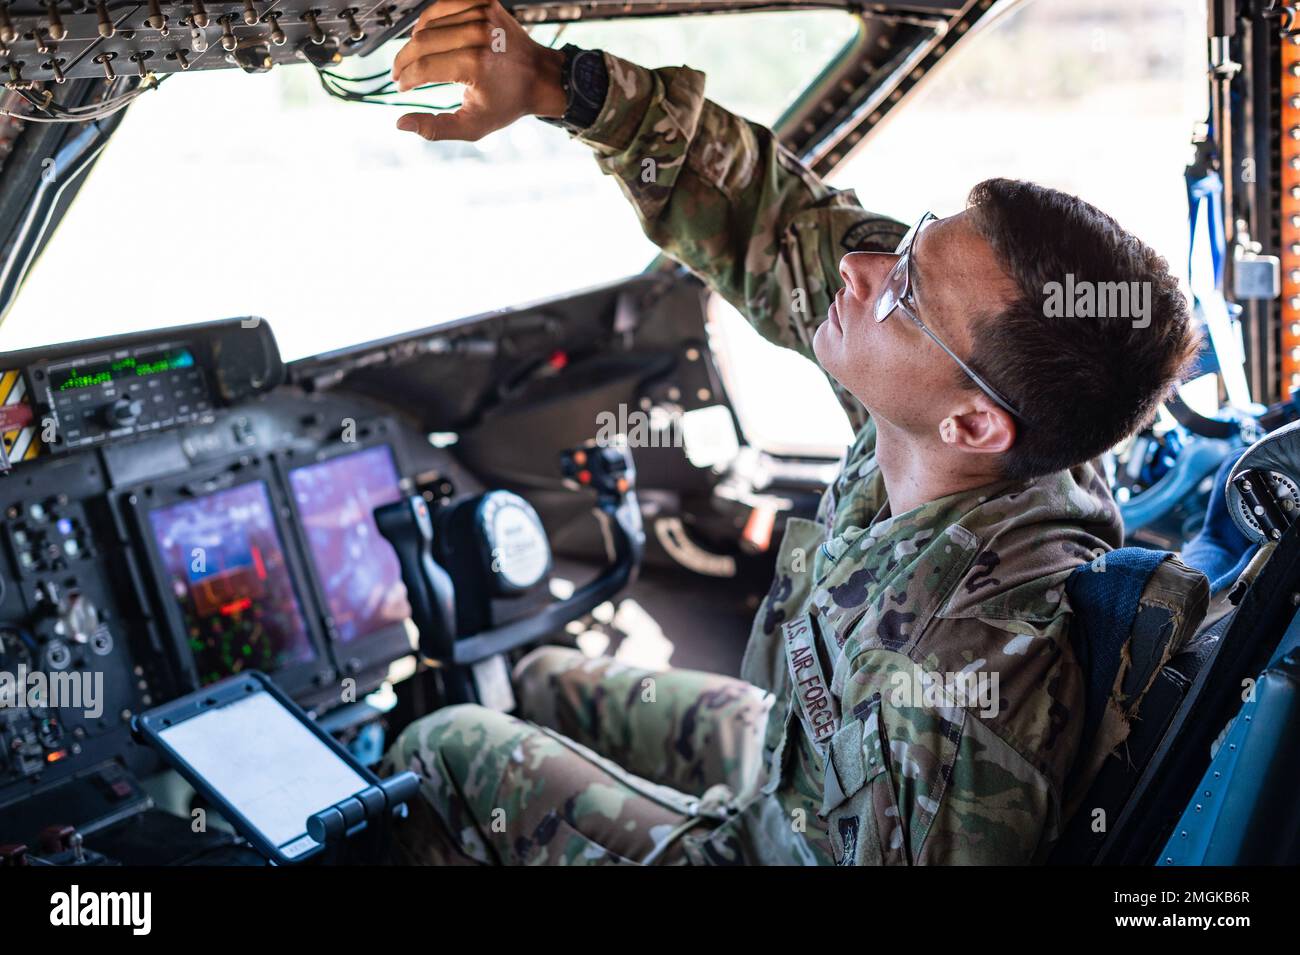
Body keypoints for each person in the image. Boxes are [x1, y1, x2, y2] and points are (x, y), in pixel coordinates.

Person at [378, 0, 1202, 864]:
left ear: (973, 422)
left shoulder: (949, 703)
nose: (861, 265)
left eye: (904, 290)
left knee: (447, 749)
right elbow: (781, 225)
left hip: (793, 844)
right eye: (912, 241)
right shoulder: (978, 427)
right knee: (541, 681)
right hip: (802, 767)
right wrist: (556, 84)